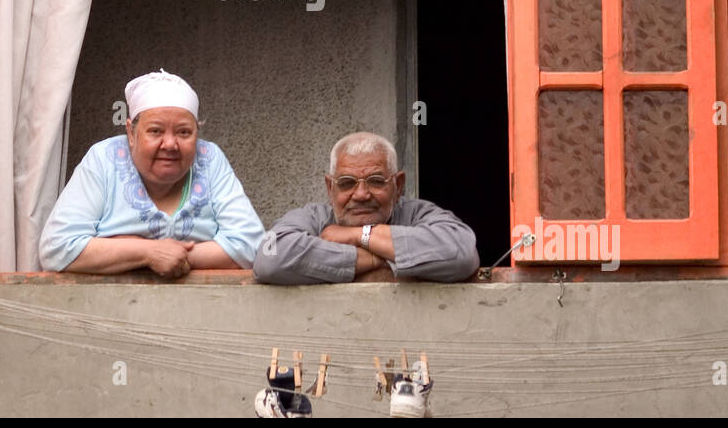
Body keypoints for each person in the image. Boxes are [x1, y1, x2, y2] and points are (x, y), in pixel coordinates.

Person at [39, 69, 265, 277]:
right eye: (156, 131)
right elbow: (57, 247)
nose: (170, 144)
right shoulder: (104, 159)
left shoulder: (210, 158)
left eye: (184, 132)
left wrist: (163, 255)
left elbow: (252, 245)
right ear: (131, 133)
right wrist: (148, 252)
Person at [253, 132, 479, 284]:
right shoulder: (314, 218)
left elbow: (462, 251)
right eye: (347, 183)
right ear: (330, 187)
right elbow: (270, 256)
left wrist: (359, 235)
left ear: (398, 185)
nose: (361, 194)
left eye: (376, 181)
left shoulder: (416, 214)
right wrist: (376, 259)